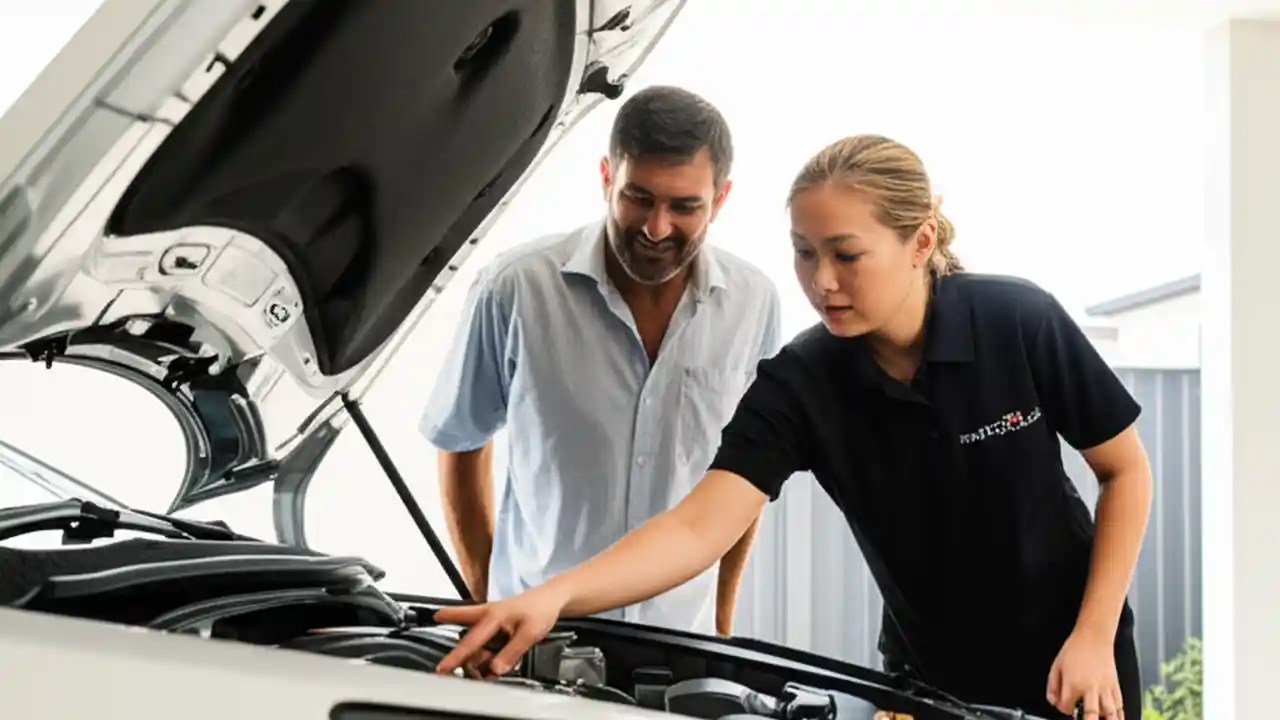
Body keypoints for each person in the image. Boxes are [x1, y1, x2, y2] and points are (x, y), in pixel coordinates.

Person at [431, 134, 1154, 720]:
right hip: (928, 684)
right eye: (804, 253)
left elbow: (1124, 472)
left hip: (1077, 662)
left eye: (846, 254)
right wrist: (554, 594)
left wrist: (1092, 635)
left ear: (920, 240)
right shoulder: (801, 381)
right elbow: (696, 527)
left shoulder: (1017, 321)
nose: (821, 281)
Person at [419, 85, 782, 639]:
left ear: (721, 198)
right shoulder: (514, 288)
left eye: (684, 206)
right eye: (639, 197)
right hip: (537, 640)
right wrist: (490, 602)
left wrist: (721, 624)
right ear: (607, 177)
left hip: (681, 642)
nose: (656, 228)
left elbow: (746, 481)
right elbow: (461, 440)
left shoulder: (755, 303)